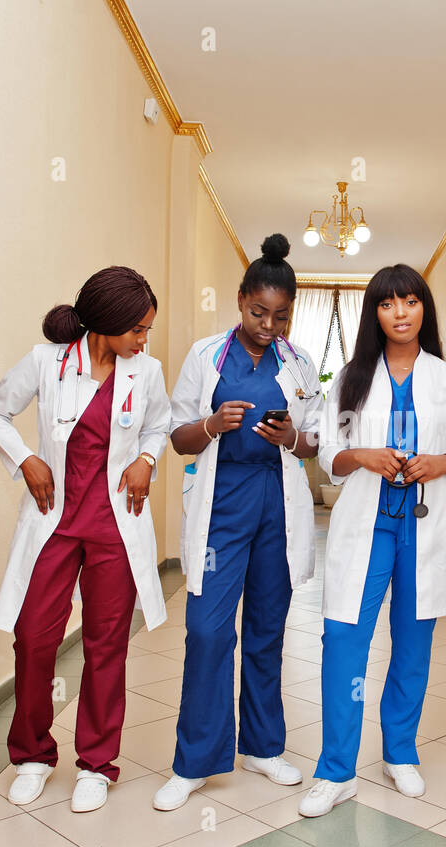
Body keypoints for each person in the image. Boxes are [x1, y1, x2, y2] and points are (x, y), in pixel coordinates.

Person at [0, 265, 170, 813]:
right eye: (137, 329)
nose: (143, 339)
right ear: (106, 325)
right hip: (53, 524)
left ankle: (97, 764)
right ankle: (32, 755)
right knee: (34, 640)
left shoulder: (146, 371)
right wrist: (27, 458)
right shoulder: (48, 362)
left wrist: (146, 460)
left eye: (146, 330)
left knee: (106, 647)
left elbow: (157, 425)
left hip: (115, 527)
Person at [300, 263, 446, 818]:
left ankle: (399, 752)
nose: (400, 313)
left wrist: (444, 461)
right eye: (387, 303)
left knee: (413, 642)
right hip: (367, 526)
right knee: (343, 641)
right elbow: (327, 452)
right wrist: (364, 456)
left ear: (424, 309)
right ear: (373, 313)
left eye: (410, 301)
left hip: (423, 526)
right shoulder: (353, 377)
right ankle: (336, 770)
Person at [153, 234, 323, 811]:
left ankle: (263, 746)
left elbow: (316, 443)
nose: (269, 325)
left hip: (276, 507)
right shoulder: (206, 357)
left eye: (280, 316)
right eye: (258, 312)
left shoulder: (301, 364)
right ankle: (194, 760)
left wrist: (292, 438)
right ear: (240, 300)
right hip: (220, 510)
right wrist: (212, 424)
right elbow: (176, 438)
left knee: (268, 631)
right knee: (207, 630)